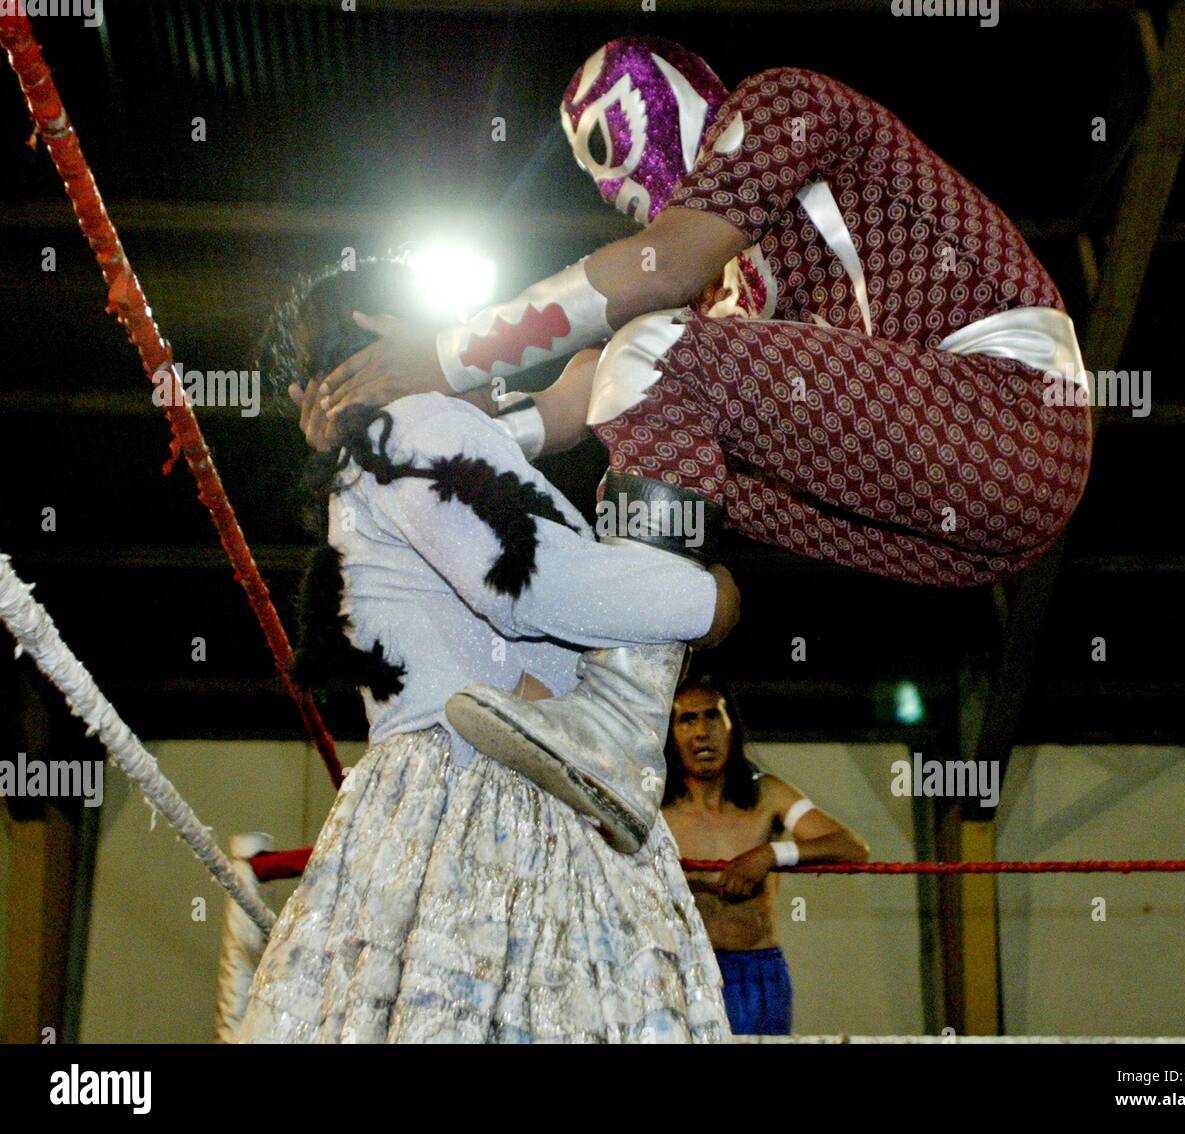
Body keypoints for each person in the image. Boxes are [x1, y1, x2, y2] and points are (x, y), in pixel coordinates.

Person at [296, 36, 1092, 852]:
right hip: (964, 539)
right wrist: (387, 431)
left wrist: (444, 351)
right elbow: (587, 395)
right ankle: (617, 691)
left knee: (651, 352)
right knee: (639, 409)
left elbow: (661, 271)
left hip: (1014, 409)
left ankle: (618, 717)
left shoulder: (782, 104)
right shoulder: (732, 300)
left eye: (609, 144)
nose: (615, 187)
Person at [236, 257, 739, 1042]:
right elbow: (529, 581)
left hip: (468, 788)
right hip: (493, 791)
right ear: (381, 336)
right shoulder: (417, 427)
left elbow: (579, 386)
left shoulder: (403, 443)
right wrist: (707, 602)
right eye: (458, 329)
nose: (478, 341)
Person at [662, 675, 870, 1036]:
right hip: (682, 968)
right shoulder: (656, 810)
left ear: (731, 729)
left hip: (758, 970)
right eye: (687, 719)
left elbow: (851, 847)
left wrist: (771, 853)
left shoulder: (768, 795)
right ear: (671, 735)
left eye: (712, 717)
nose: (701, 732)